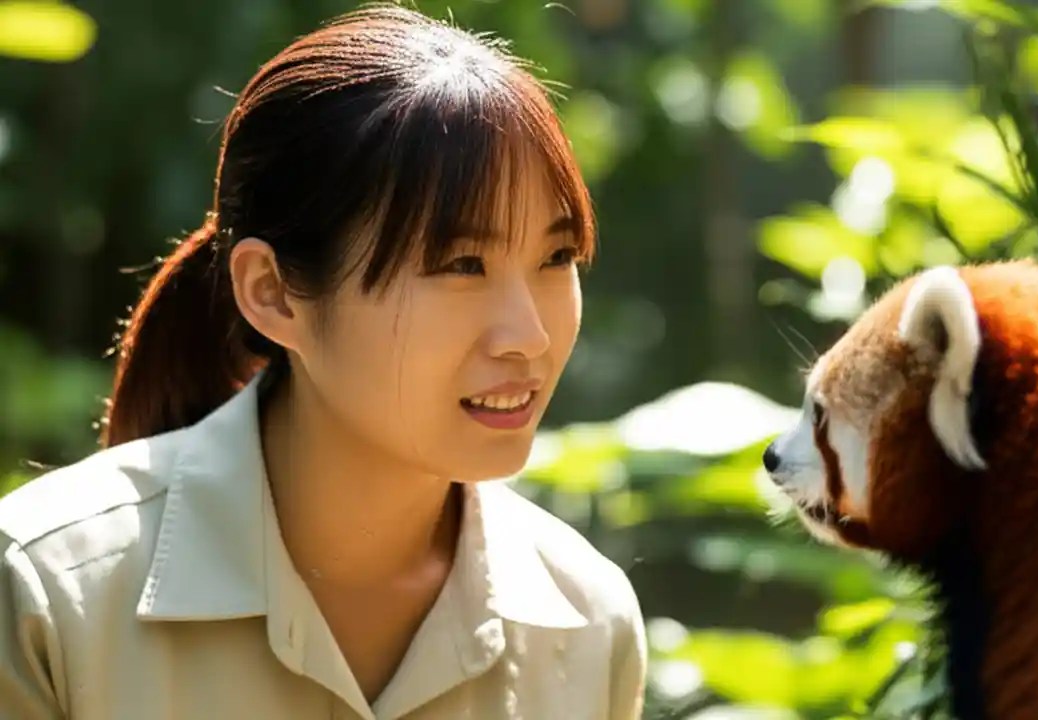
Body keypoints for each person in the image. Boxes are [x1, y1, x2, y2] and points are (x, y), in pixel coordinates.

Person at [0, 5, 647, 719]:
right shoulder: (44, 595)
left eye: (556, 257)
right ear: (273, 294)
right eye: (462, 264)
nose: (528, 335)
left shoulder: (587, 624)